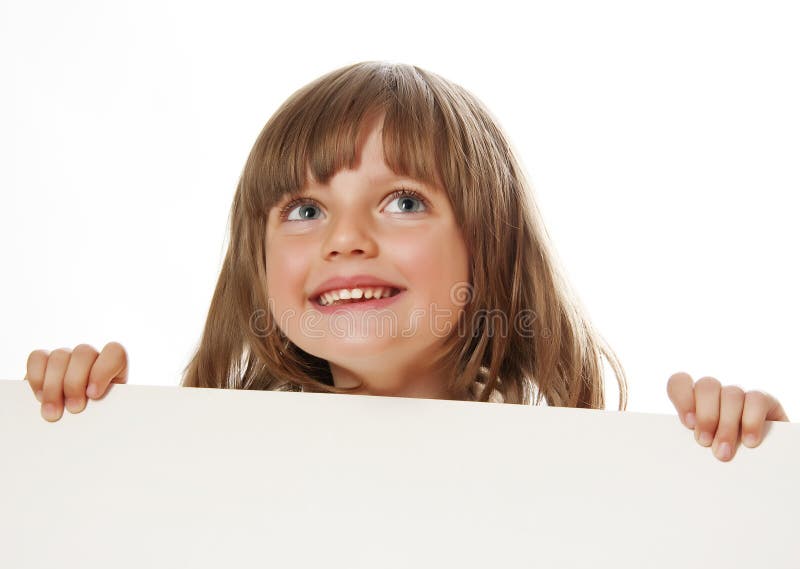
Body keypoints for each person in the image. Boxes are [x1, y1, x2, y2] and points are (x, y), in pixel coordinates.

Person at [23, 61, 789, 461]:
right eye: (305, 210)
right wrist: (74, 418)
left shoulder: (577, 468)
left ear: (490, 247)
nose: (345, 238)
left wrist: (745, 457)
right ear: (257, 265)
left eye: (402, 201)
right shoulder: (205, 462)